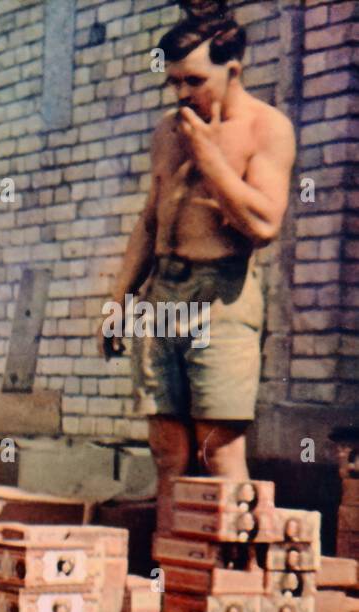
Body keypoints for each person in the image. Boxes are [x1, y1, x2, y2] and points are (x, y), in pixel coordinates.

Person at [99, 3, 294, 534]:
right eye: (173, 82)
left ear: (234, 70)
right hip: (162, 294)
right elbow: (149, 219)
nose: (183, 93)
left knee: (219, 452)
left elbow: (264, 222)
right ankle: (173, 580)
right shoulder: (167, 130)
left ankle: (237, 584)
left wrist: (208, 155)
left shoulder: (267, 129)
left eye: (194, 80)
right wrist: (119, 299)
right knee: (167, 454)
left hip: (221, 297)